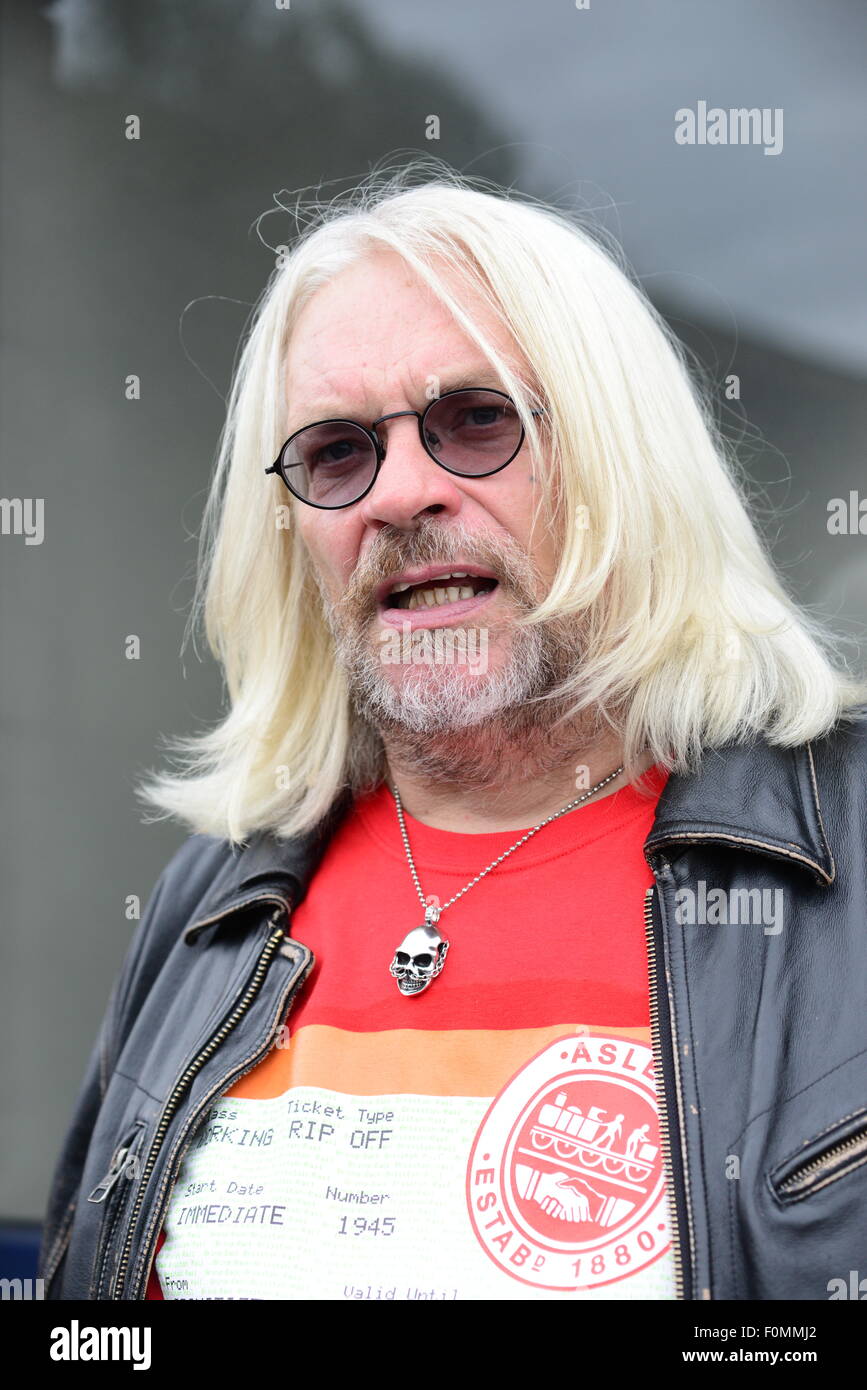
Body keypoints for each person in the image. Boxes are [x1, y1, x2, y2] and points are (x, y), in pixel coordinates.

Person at [38, 166, 867, 1302]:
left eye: (474, 420)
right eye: (336, 452)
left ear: (626, 459)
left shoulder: (844, 869)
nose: (400, 493)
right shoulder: (213, 902)